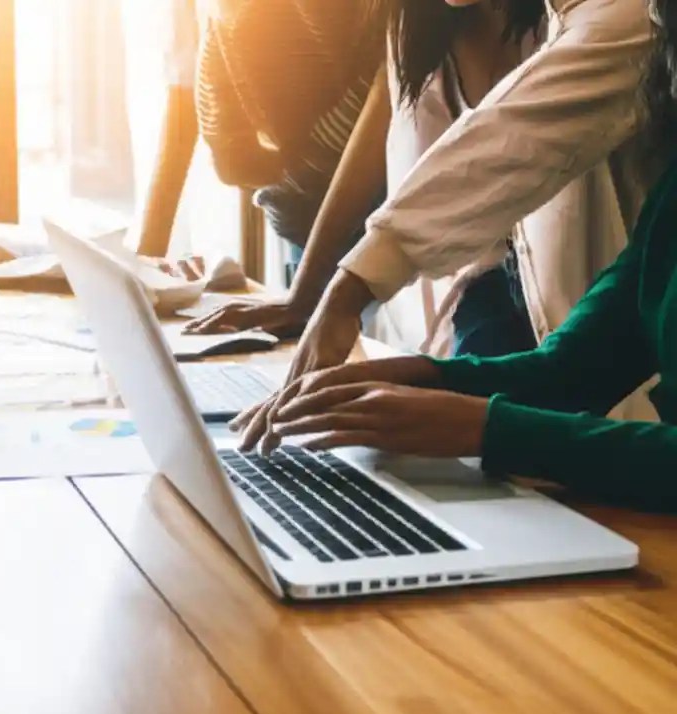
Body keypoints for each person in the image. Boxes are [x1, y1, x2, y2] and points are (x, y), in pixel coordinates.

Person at [228, 0, 677, 507]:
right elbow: (571, 371)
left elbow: (508, 142)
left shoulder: (624, 22)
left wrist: (489, 430)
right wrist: (422, 380)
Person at [196, 0, 654, 371]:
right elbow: (384, 124)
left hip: (592, 312)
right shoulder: (418, 21)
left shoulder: (620, 18)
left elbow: (505, 147)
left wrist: (352, 284)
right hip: (466, 302)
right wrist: (311, 292)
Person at [131, 0, 383, 309]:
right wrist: (146, 263)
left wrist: (300, 169)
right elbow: (184, 87)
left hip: (367, 195)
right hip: (298, 203)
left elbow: (386, 79)